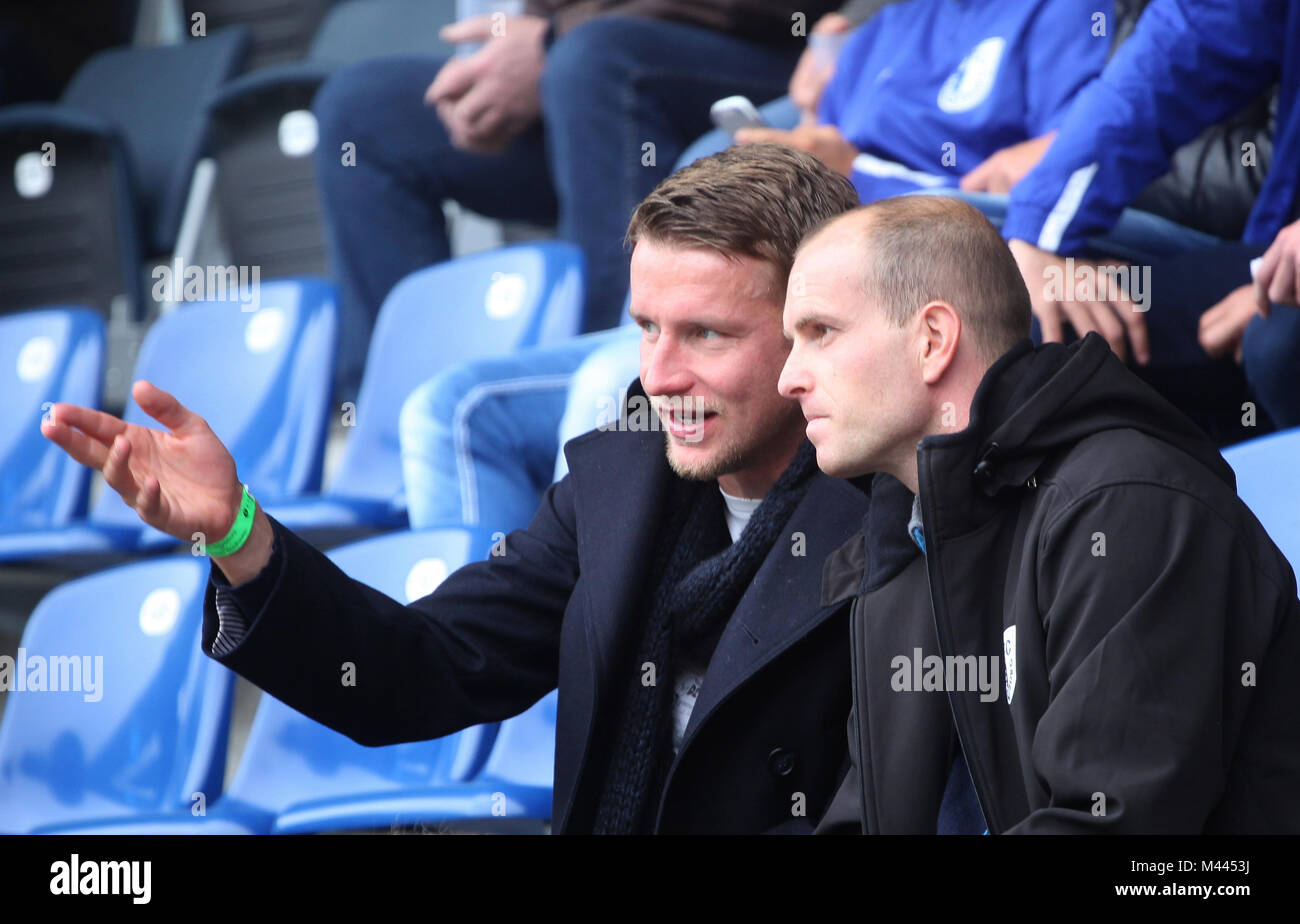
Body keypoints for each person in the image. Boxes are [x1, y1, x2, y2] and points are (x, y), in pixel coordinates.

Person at [41, 144, 875, 835]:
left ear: (813, 333)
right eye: (646, 329)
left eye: (707, 334)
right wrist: (238, 533)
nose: (658, 376)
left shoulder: (898, 516)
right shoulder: (617, 486)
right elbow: (414, 671)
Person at [781, 194, 1300, 833]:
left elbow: (1108, 829)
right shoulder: (903, 537)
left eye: (820, 333)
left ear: (933, 340)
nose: (790, 377)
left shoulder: (1128, 508)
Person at [314, 0, 843, 395]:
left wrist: (550, 42)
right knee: (360, 111)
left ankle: (606, 397)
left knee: (591, 60)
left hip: (771, 51)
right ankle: (392, 429)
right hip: (573, 79)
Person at [998, 0, 1300, 433]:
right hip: (1266, 259)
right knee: (1034, 321)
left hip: (1274, 284)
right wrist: (1039, 232)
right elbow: (1177, 52)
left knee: (1278, 346)